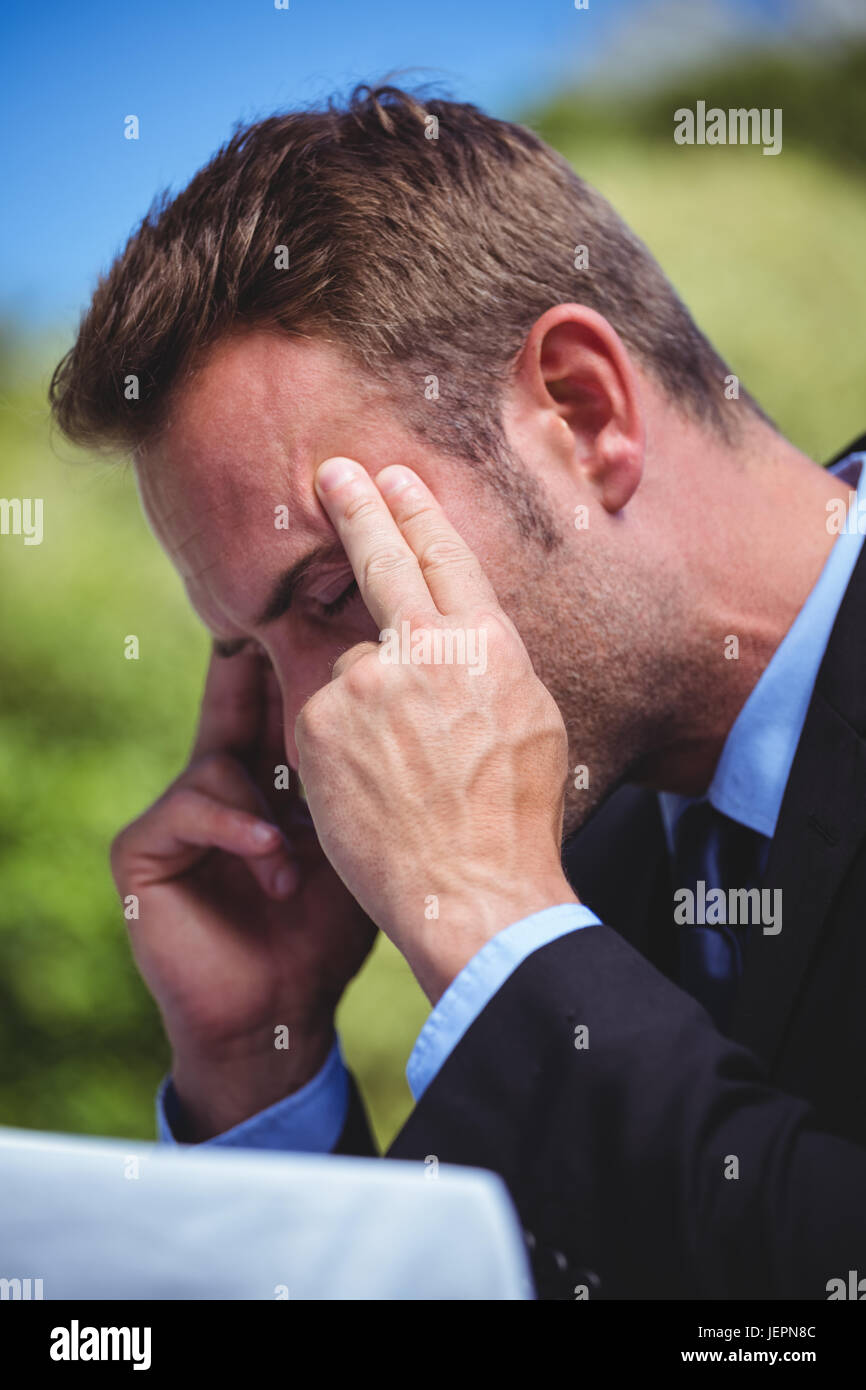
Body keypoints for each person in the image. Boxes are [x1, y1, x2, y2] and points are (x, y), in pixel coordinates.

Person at [50, 85, 866, 1299]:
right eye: (249, 652)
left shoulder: (519, 919)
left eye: (331, 591)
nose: (317, 733)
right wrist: (260, 1070)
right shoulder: (578, 867)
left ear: (581, 416)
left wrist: (496, 926)